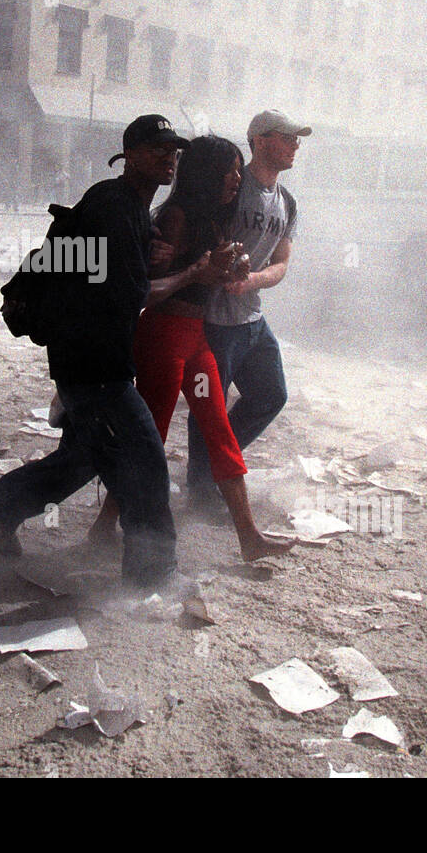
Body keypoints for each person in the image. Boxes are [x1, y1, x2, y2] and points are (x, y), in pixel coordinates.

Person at [0, 114, 205, 587]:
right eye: (158, 149)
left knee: (85, 457)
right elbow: (129, 295)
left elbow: (88, 269)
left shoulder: (122, 206)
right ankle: (151, 579)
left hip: (81, 358)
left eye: (174, 151)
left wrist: (144, 255)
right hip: (95, 367)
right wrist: (190, 274)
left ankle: (4, 503)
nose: (169, 159)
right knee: (144, 467)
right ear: (130, 155)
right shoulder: (116, 206)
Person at [86, 136, 290, 562]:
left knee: (218, 430)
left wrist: (232, 269)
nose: (237, 178)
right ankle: (105, 524)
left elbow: (207, 279)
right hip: (164, 338)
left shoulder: (214, 219)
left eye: (238, 169)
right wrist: (201, 269)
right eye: (230, 170)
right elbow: (150, 289)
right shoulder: (177, 218)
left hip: (195, 339)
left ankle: (249, 536)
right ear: (207, 173)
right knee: (149, 438)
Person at [186, 110, 304, 507]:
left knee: (271, 395)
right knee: (208, 407)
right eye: (286, 137)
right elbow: (194, 228)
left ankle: (217, 465)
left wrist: (251, 280)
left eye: (296, 139)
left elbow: (281, 265)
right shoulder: (233, 187)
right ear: (259, 140)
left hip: (252, 319)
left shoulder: (286, 202)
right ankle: (203, 490)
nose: (295, 145)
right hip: (214, 320)